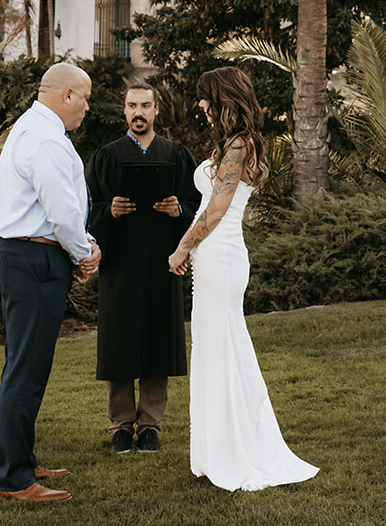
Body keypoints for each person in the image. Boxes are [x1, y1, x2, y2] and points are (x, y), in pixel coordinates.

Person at [168, 66, 318, 492]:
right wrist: (188, 247)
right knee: (219, 349)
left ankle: (236, 451)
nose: (200, 106)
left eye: (205, 98)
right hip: (214, 254)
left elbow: (215, 212)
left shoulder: (239, 145)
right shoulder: (234, 144)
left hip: (222, 256)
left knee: (221, 348)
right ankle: (221, 448)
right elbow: (206, 209)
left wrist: (182, 248)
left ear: (223, 99)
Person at [0, 62, 102, 503]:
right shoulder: (47, 139)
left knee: (26, 365)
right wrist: (84, 253)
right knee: (27, 369)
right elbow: (61, 211)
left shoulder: (31, 128)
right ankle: (15, 478)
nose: (88, 108)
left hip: (30, 254)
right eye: (86, 98)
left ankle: (21, 457)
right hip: (34, 258)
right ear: (67, 95)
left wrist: (74, 248)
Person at [85, 82, 200, 454]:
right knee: (119, 342)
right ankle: (120, 424)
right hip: (119, 263)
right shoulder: (106, 156)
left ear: (155, 109)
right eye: (132, 105)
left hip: (163, 261)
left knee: (156, 339)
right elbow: (85, 209)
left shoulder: (177, 154)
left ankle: (150, 424)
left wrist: (177, 209)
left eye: (145, 106)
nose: (139, 112)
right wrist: (109, 211)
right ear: (124, 110)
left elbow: (198, 206)